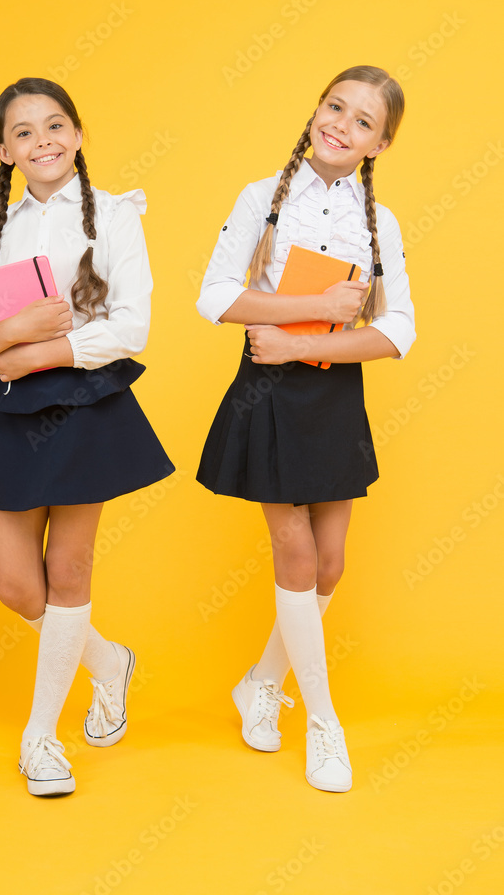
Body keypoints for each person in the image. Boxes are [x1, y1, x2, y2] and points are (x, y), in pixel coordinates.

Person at [0, 77, 173, 797]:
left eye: (55, 125)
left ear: (77, 134)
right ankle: (109, 664)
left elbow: (132, 326)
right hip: (6, 410)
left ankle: (41, 738)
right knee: (17, 586)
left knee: (69, 572)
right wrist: (8, 335)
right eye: (23, 131)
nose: (42, 140)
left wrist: (34, 353)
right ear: (4, 150)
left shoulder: (114, 215)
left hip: (83, 403)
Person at [196, 66, 415, 792]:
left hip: (331, 394)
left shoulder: (379, 223)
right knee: (294, 559)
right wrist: (307, 309)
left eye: (361, 121)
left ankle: (260, 681)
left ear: (379, 143)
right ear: (316, 108)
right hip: (266, 393)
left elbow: (395, 332)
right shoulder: (262, 198)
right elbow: (217, 298)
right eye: (334, 107)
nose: (340, 125)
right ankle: (323, 725)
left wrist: (301, 341)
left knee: (329, 566)